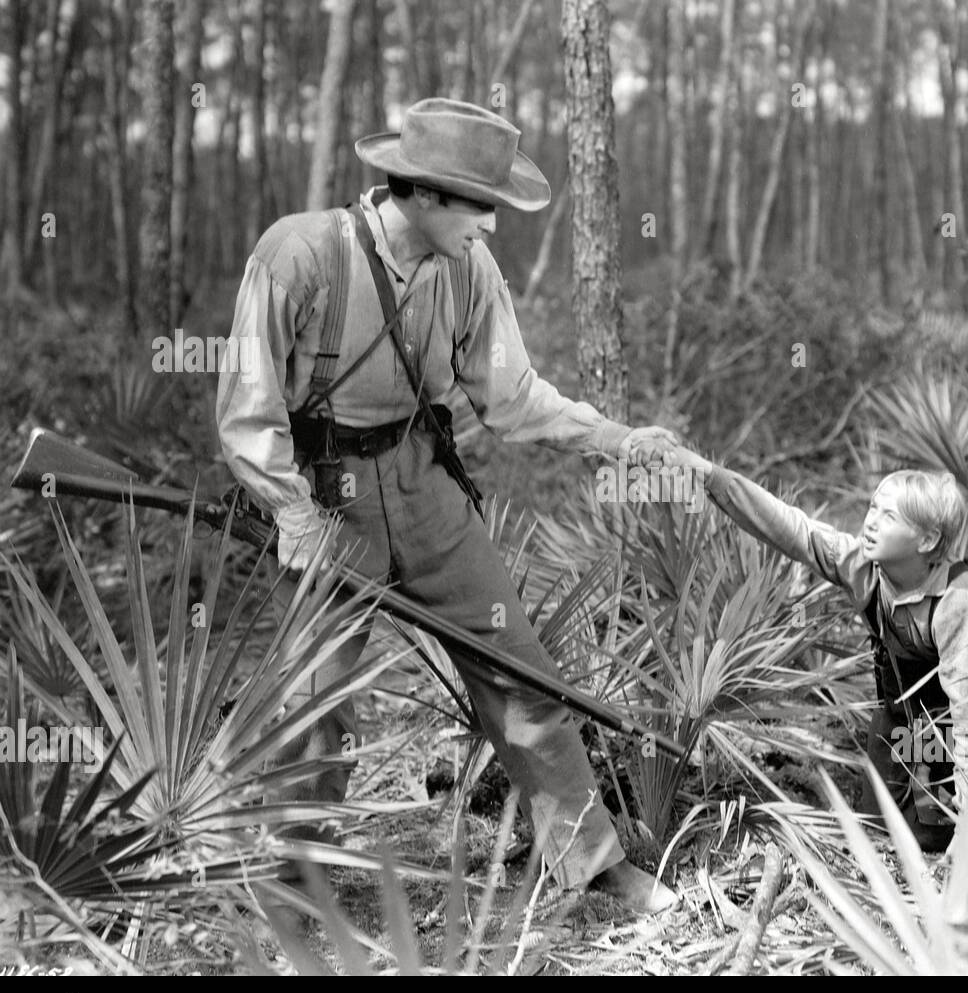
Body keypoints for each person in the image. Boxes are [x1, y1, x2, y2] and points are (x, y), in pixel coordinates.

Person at [215, 98, 678, 912]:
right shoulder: (300, 255)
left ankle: (592, 861)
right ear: (425, 194)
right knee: (313, 695)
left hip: (424, 480)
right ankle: (292, 874)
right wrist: (290, 510)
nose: (492, 226)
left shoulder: (468, 268)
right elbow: (246, 408)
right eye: (481, 205)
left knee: (519, 663)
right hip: (325, 493)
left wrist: (614, 437)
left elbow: (513, 397)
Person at [666, 449, 968, 851]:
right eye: (873, 508)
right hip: (900, 718)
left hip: (954, 729)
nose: (871, 522)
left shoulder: (955, 598)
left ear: (928, 540)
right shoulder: (864, 568)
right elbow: (796, 530)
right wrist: (712, 477)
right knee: (876, 825)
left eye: (889, 516)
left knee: (926, 836)